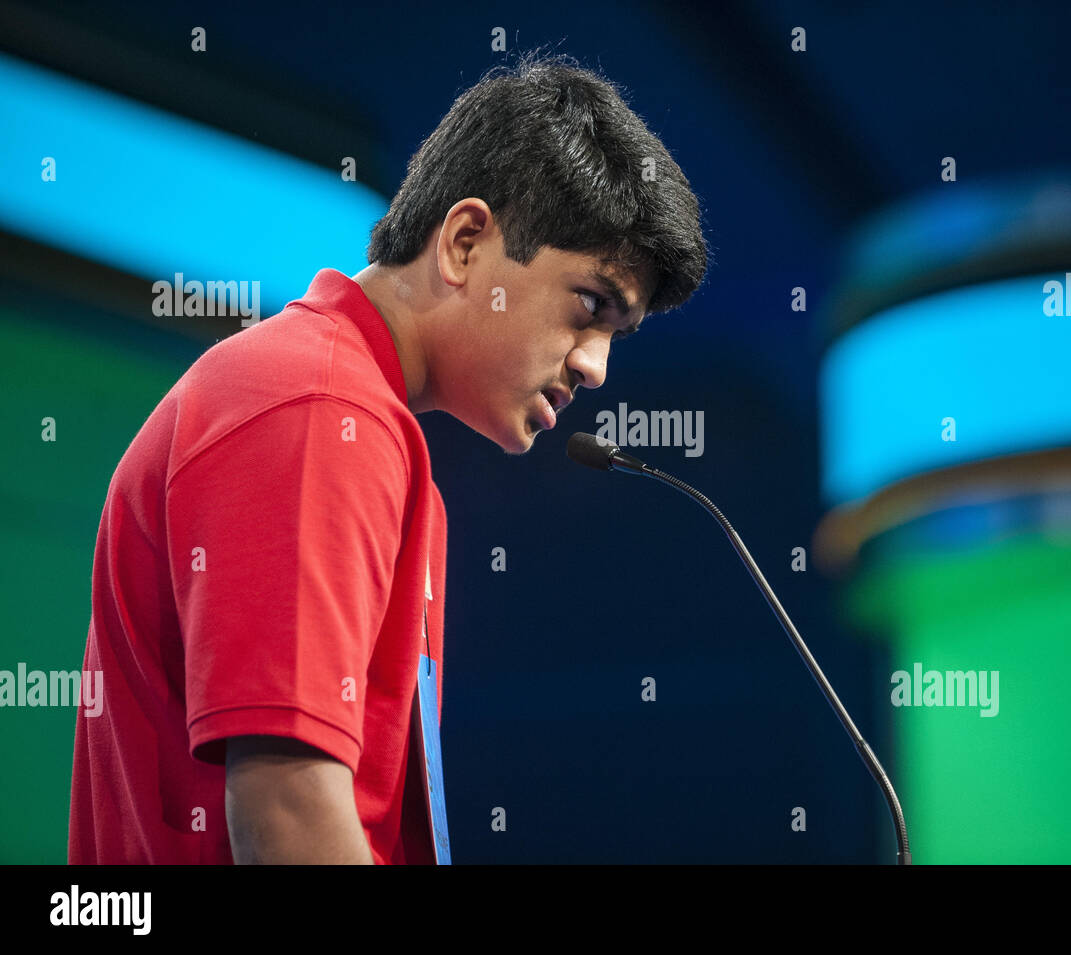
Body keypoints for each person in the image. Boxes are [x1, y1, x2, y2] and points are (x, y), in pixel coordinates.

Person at [68, 50, 709, 864]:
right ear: (466, 241)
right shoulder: (318, 408)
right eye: (590, 306)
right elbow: (288, 805)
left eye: (616, 334)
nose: (594, 366)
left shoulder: (355, 421)